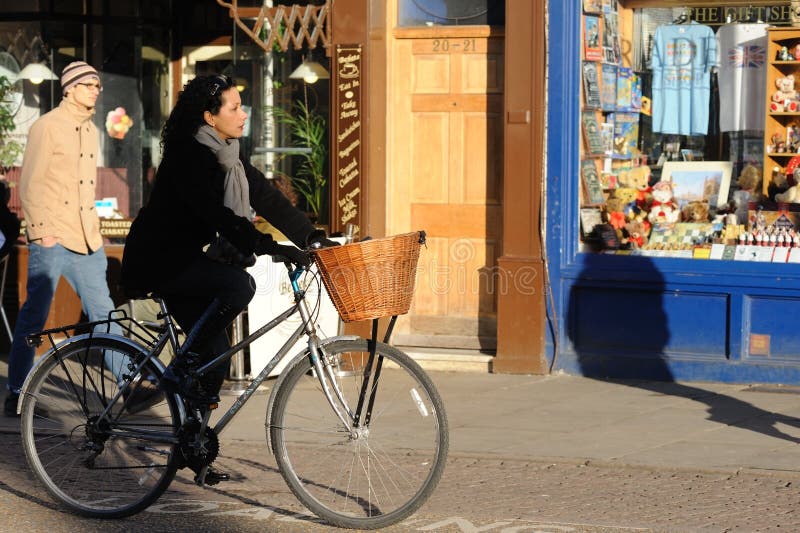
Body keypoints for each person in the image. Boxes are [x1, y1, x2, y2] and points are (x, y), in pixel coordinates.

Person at [121, 74, 335, 483]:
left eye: (242, 106)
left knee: (216, 352)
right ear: (209, 116)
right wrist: (266, 246)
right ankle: (173, 374)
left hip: (187, 260)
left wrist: (309, 237)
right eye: (234, 108)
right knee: (238, 286)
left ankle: (192, 445)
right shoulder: (190, 155)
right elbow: (216, 215)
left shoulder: (229, 154)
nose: (243, 114)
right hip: (159, 261)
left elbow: (265, 195)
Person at [4, 61, 132, 417]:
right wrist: (43, 232)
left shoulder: (91, 130)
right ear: (70, 88)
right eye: (89, 84)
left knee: (104, 314)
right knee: (35, 317)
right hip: (53, 237)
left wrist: (97, 232)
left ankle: (128, 386)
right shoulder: (46, 127)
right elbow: (30, 183)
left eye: (97, 85)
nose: (96, 90)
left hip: (88, 239)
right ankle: (16, 391)